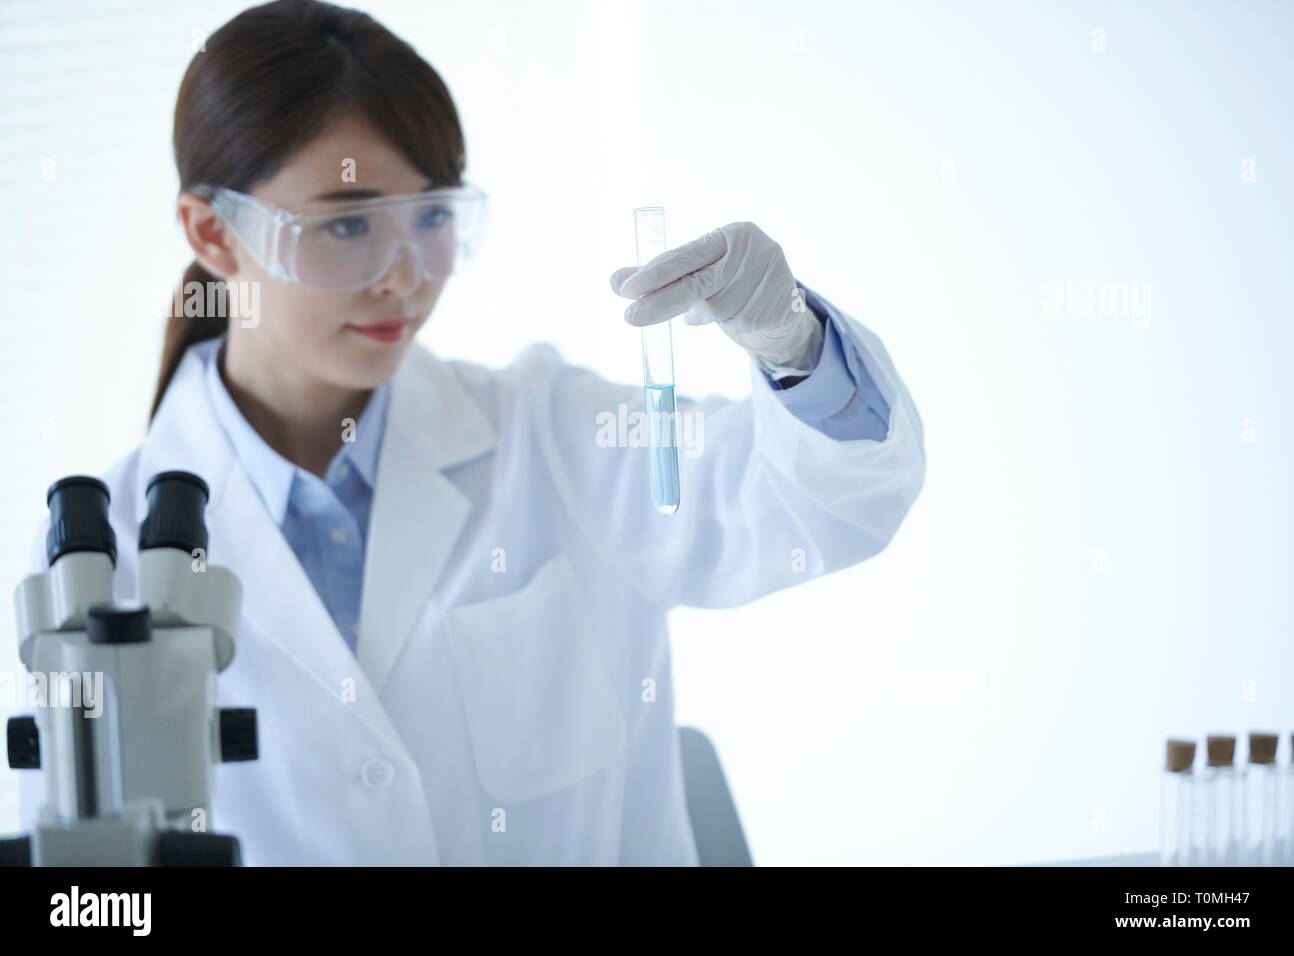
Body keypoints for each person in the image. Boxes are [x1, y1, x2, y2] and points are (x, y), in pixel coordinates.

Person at [18, 0, 926, 865]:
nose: (406, 276)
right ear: (213, 234)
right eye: (349, 224)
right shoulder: (102, 563)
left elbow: (819, 504)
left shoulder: (552, 435)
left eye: (434, 217)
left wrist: (794, 346)